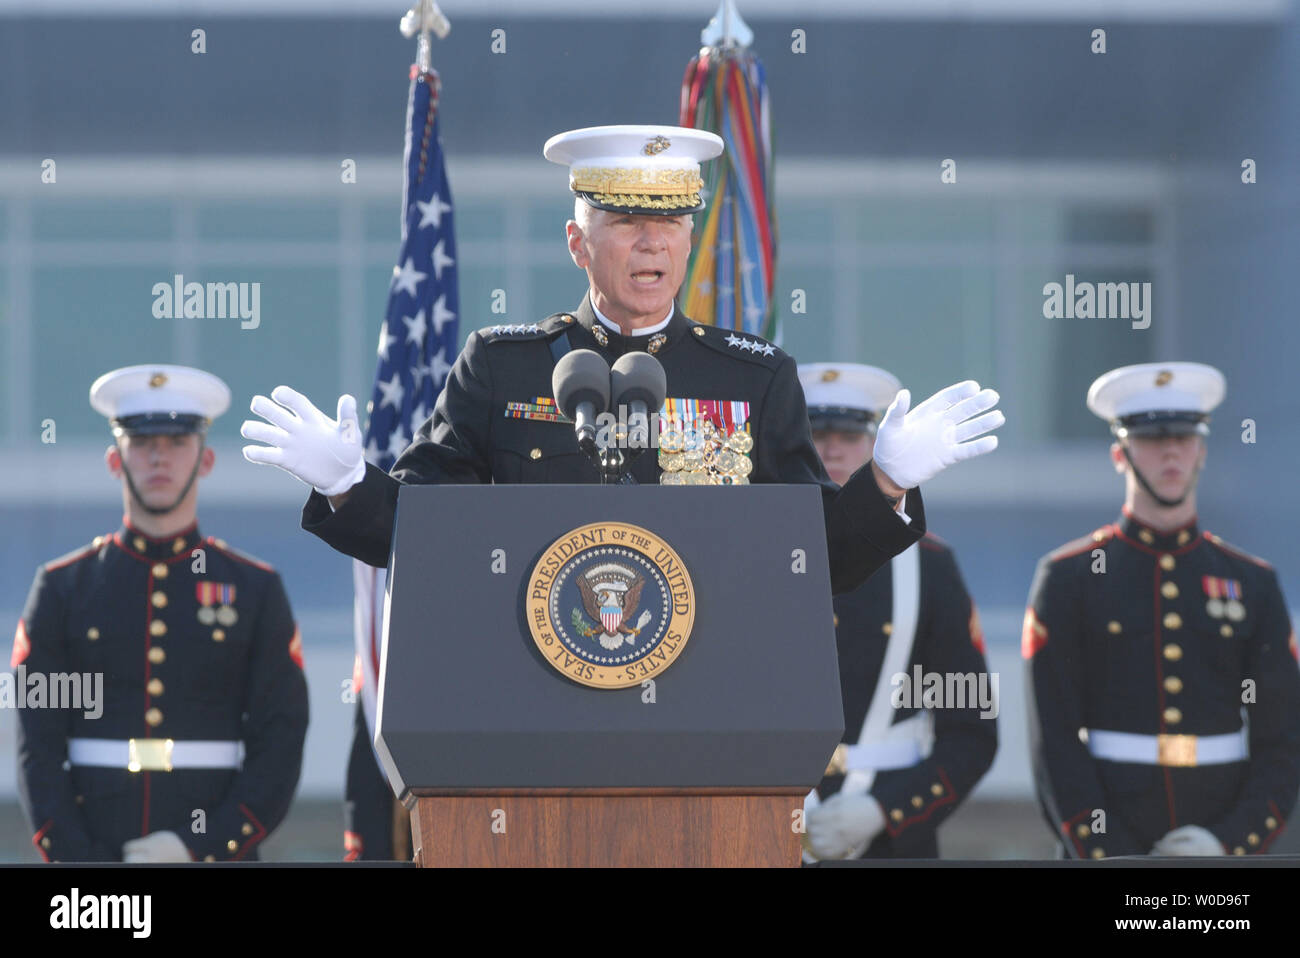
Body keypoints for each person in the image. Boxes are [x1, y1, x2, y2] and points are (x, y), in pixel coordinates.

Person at [240, 125, 1005, 597]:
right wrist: (349, 486)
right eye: (626, 220)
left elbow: (820, 560)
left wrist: (887, 482)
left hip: (707, 713)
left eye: (672, 221)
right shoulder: (501, 368)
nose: (652, 241)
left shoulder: (755, 376)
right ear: (578, 244)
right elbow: (422, 538)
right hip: (530, 702)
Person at [12, 365, 309, 862]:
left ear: (206, 459)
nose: (159, 457)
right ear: (114, 460)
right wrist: (82, 861)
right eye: (142, 441)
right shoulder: (62, 587)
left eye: (177, 441)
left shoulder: (255, 588)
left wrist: (204, 848)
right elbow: (35, 746)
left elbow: (279, 741)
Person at [1025, 362, 1300, 858]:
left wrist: (1228, 844)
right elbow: (1055, 742)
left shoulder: (1253, 582)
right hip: (1109, 838)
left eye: (1184, 437)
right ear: (1120, 454)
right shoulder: (1069, 577)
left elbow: (1281, 742)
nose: (1170, 451)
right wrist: (1113, 855)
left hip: (1219, 838)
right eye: (1152, 438)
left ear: (1202, 451)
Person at [798, 363, 997, 860]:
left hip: (892, 842)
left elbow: (970, 732)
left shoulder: (931, 565)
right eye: (817, 433)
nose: (833, 448)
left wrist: (887, 810)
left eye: (850, 433)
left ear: (873, 442)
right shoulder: (755, 553)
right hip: (772, 828)